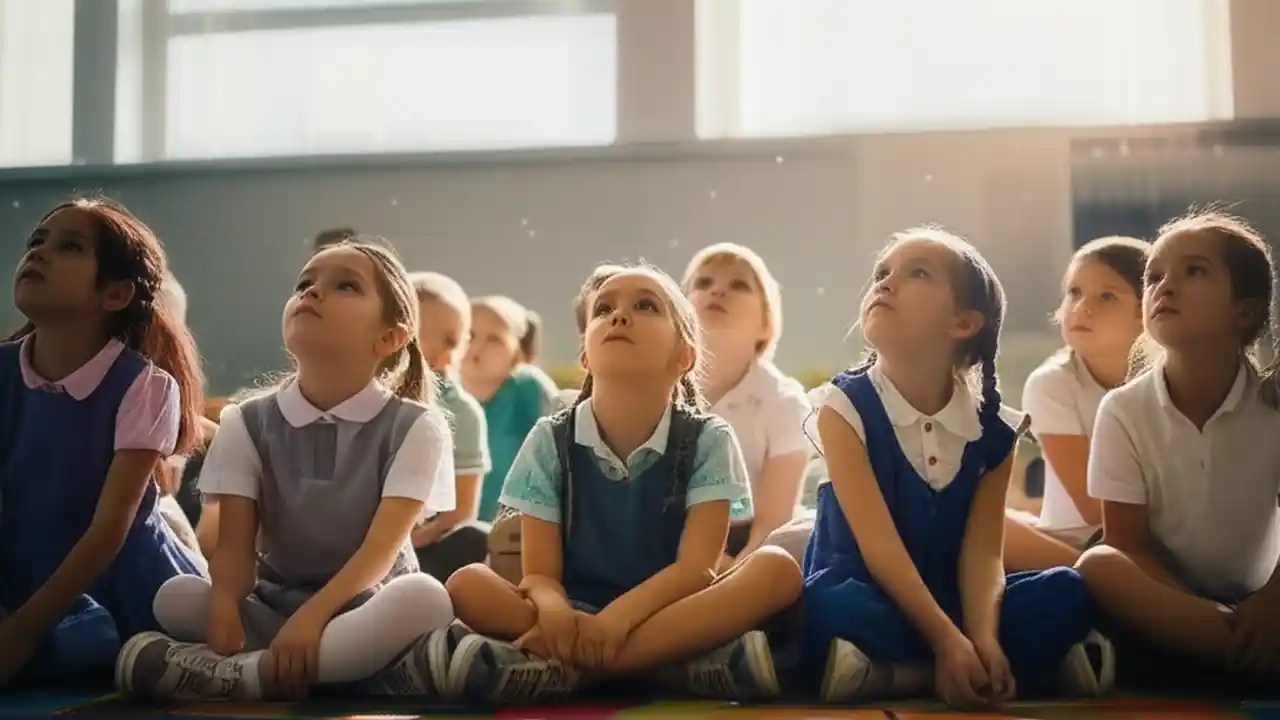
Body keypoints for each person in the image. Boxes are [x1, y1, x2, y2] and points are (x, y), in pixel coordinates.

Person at [116, 239, 457, 700]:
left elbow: (381, 553)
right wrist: (225, 607)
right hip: (275, 606)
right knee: (174, 595)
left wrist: (313, 619)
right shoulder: (246, 421)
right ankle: (353, 671)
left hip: (367, 604)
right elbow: (235, 547)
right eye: (304, 283)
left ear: (390, 338)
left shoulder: (415, 427)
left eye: (346, 286)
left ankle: (246, 675)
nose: (312, 292)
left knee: (426, 598)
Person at [444, 265, 802, 704]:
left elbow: (697, 569)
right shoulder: (549, 439)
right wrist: (554, 611)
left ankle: (574, 670)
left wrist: (614, 623)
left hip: (671, 613)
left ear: (684, 356)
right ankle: (674, 666)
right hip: (575, 613)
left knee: (777, 570)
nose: (619, 315)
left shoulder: (709, 438)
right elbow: (539, 574)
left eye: (645, 306)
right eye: (604, 309)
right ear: (585, 356)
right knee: (467, 584)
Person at [804, 227, 1109, 709]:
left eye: (917, 273)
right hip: (872, 590)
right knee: (828, 605)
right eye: (882, 273)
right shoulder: (843, 408)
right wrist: (946, 640)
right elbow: (879, 548)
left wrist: (982, 636)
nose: (885, 283)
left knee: (1067, 590)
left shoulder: (995, 430)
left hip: (956, 602)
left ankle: (910, 673)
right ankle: (977, 670)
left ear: (963, 323)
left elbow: (984, 555)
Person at [0, 197, 205, 684]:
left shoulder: (144, 386)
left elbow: (110, 529)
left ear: (114, 294)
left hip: (122, 578)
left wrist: (24, 630)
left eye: (69, 246)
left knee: (101, 648)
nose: (39, 253)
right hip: (24, 567)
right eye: (36, 241)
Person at [1077, 211, 1280, 685]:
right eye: (1154, 277)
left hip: (1267, 600)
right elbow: (1129, 546)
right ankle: (1245, 654)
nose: (1165, 287)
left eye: (1194, 271)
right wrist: (1208, 616)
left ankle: (1228, 656)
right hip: (1172, 601)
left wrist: (1271, 600)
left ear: (1245, 312)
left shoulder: (1272, 406)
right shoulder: (1124, 410)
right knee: (1098, 564)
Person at [1005, 237, 1148, 571]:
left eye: (1107, 296)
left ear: (1146, 313)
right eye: (1074, 292)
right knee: (979, 523)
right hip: (1075, 544)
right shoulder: (1052, 384)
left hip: (1153, 543)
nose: (1081, 307)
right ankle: (1109, 579)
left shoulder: (1168, 381)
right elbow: (1093, 509)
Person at [682, 243, 810, 567]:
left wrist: (732, 576)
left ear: (766, 323)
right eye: (703, 283)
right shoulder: (661, 389)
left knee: (793, 545)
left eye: (738, 285)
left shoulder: (783, 400)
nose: (718, 291)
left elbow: (772, 522)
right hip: (674, 540)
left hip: (749, 543)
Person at [409, 271, 492, 581]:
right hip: (357, 541)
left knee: (476, 538)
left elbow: (461, 512)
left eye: (453, 341)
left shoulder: (462, 413)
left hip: (421, 545)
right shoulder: (362, 397)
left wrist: (409, 541)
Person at [462, 295, 557, 523]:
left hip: (516, 527)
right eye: (470, 335)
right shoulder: (444, 392)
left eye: (494, 340)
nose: (476, 347)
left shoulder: (529, 388)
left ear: (519, 351)